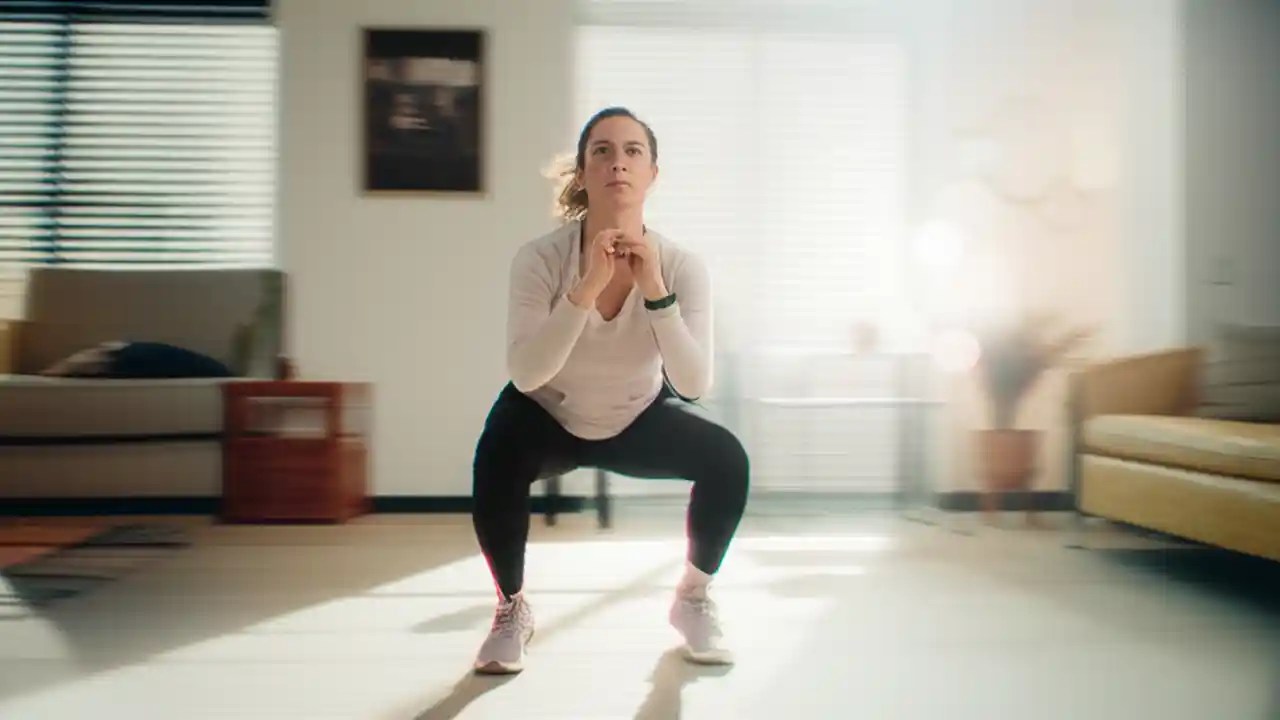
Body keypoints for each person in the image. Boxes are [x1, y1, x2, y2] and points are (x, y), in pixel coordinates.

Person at [470, 107, 750, 674]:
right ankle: (511, 608)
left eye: (631, 151)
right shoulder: (539, 259)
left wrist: (656, 293)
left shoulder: (682, 265)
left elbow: (694, 384)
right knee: (495, 451)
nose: (616, 162)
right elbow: (527, 374)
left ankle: (692, 598)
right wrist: (588, 286)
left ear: (651, 174)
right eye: (601, 150)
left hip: (636, 416)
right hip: (547, 414)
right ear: (581, 172)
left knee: (727, 458)